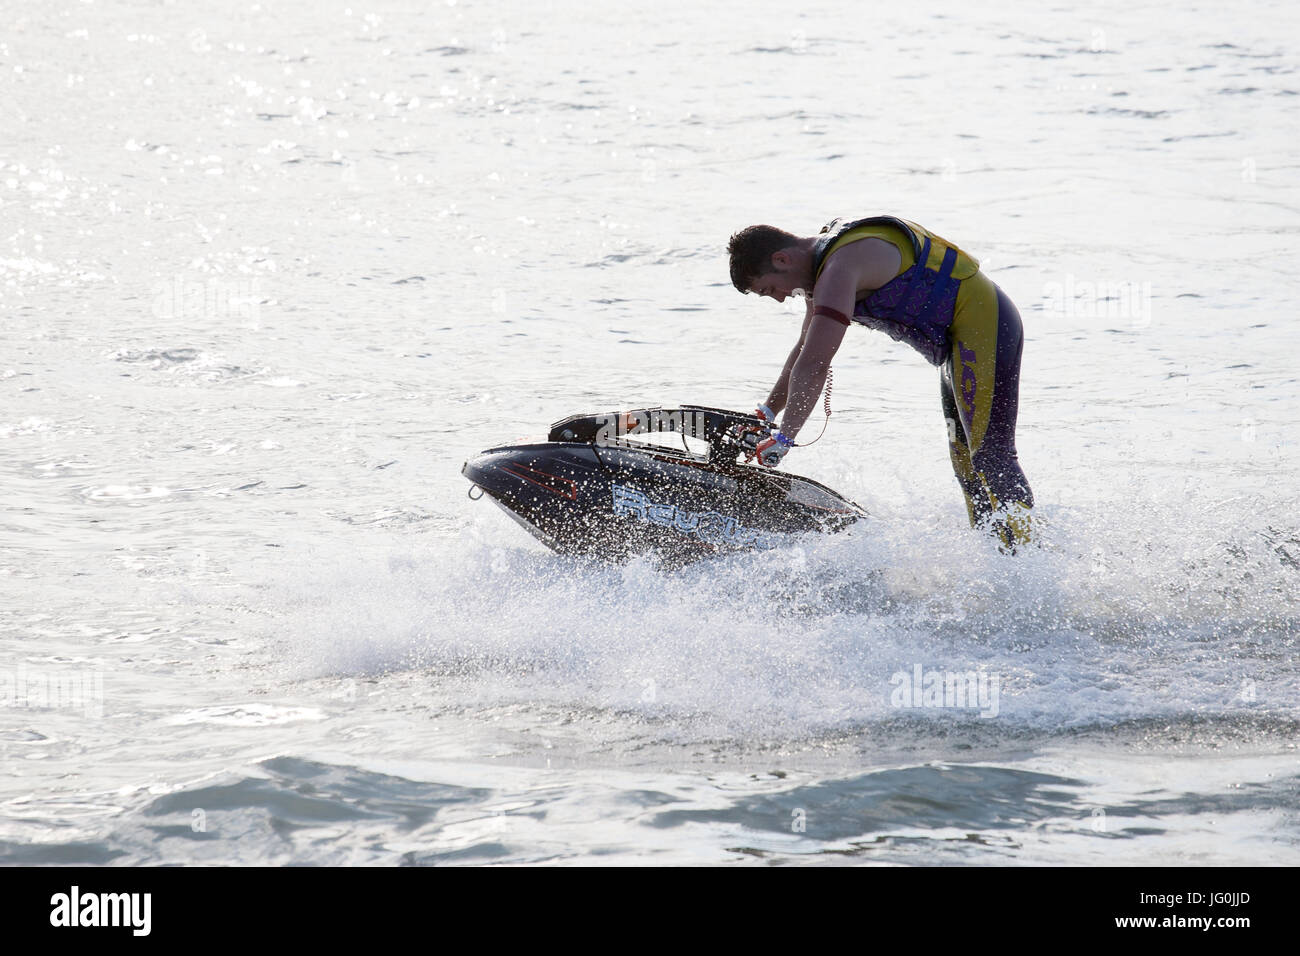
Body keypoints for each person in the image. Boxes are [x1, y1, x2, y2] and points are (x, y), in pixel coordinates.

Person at [727, 215, 1033, 550]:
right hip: (956, 350)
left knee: (992, 457)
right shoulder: (820, 274)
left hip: (985, 325)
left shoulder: (840, 267)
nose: (780, 298)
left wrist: (786, 438)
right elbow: (803, 350)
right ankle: (997, 555)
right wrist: (767, 413)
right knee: (966, 464)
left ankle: (1028, 562)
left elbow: (815, 364)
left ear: (781, 259)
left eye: (770, 289)